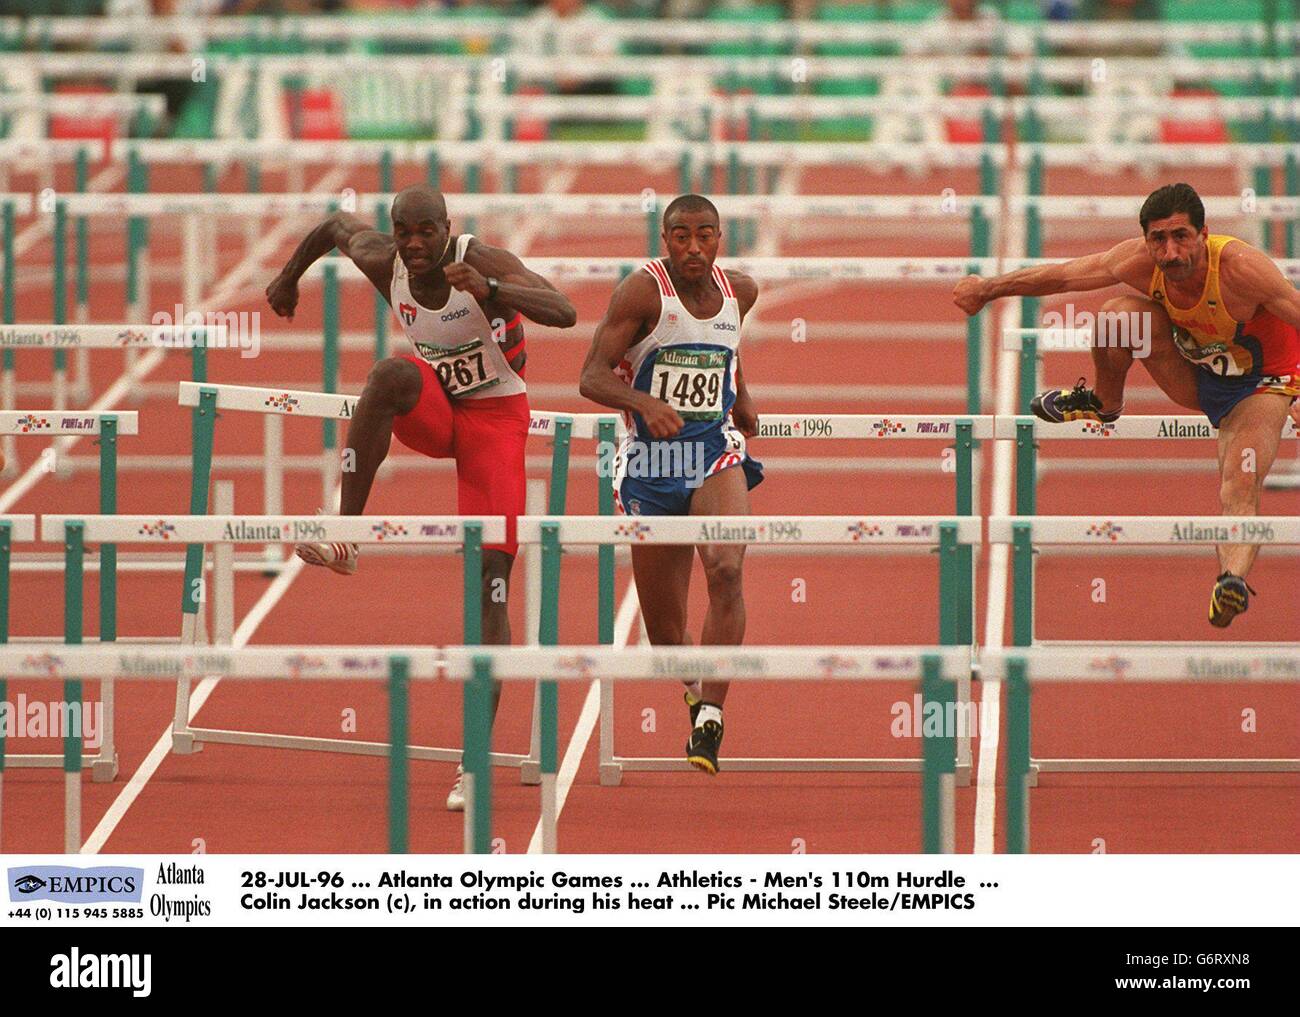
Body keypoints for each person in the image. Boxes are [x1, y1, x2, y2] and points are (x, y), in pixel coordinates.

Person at [265, 184, 577, 808]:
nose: (414, 245)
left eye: (425, 232)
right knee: (388, 374)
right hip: (440, 411)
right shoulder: (386, 260)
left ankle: (474, 763)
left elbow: (563, 311)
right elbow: (332, 225)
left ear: (446, 228)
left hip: (495, 421)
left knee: (491, 576)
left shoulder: (481, 260)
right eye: (404, 233)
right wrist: (286, 279)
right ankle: (346, 535)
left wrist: (491, 292)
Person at [952, 182, 1300, 628]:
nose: (1171, 252)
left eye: (1181, 237)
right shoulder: (1137, 261)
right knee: (1119, 314)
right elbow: (1062, 276)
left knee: (1240, 479)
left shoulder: (1242, 269)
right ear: (1146, 240)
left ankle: (1230, 580)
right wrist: (988, 289)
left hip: (1260, 383)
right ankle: (1103, 402)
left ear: (1203, 234)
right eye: (1159, 239)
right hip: (1198, 375)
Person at [579, 194, 762, 775]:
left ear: (719, 238)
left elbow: (725, 351)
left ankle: (711, 715)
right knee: (663, 632)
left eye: (704, 235)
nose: (693, 247)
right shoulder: (642, 292)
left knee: (727, 568)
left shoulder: (741, 292)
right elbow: (589, 377)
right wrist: (643, 403)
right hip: (651, 463)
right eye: (680, 236)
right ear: (665, 240)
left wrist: (743, 399)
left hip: (712, 452)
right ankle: (689, 685)